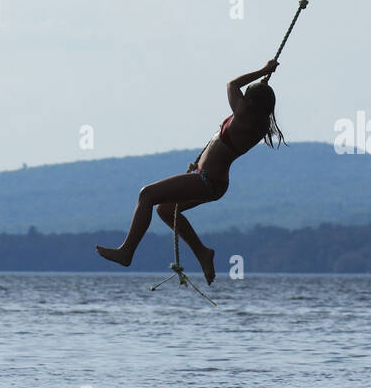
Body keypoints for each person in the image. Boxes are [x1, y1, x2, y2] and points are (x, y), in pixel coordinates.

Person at [97, 60, 284, 282]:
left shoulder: (245, 116)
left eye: (247, 97)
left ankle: (126, 251)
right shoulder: (255, 121)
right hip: (210, 181)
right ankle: (203, 252)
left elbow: (232, 84)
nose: (241, 98)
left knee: (146, 195)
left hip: (207, 181)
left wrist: (263, 71)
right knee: (165, 210)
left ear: (250, 104)